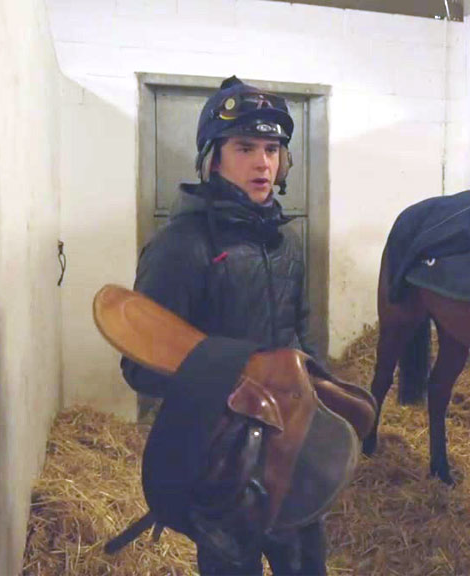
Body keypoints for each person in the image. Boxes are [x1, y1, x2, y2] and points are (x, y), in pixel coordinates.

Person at [121, 75, 326, 575]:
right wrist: (226, 382)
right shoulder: (180, 247)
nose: (263, 162)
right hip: (220, 459)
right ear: (213, 157)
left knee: (306, 565)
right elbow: (140, 370)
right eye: (245, 147)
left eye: (273, 149)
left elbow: (300, 334)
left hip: (289, 448)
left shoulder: (288, 244)